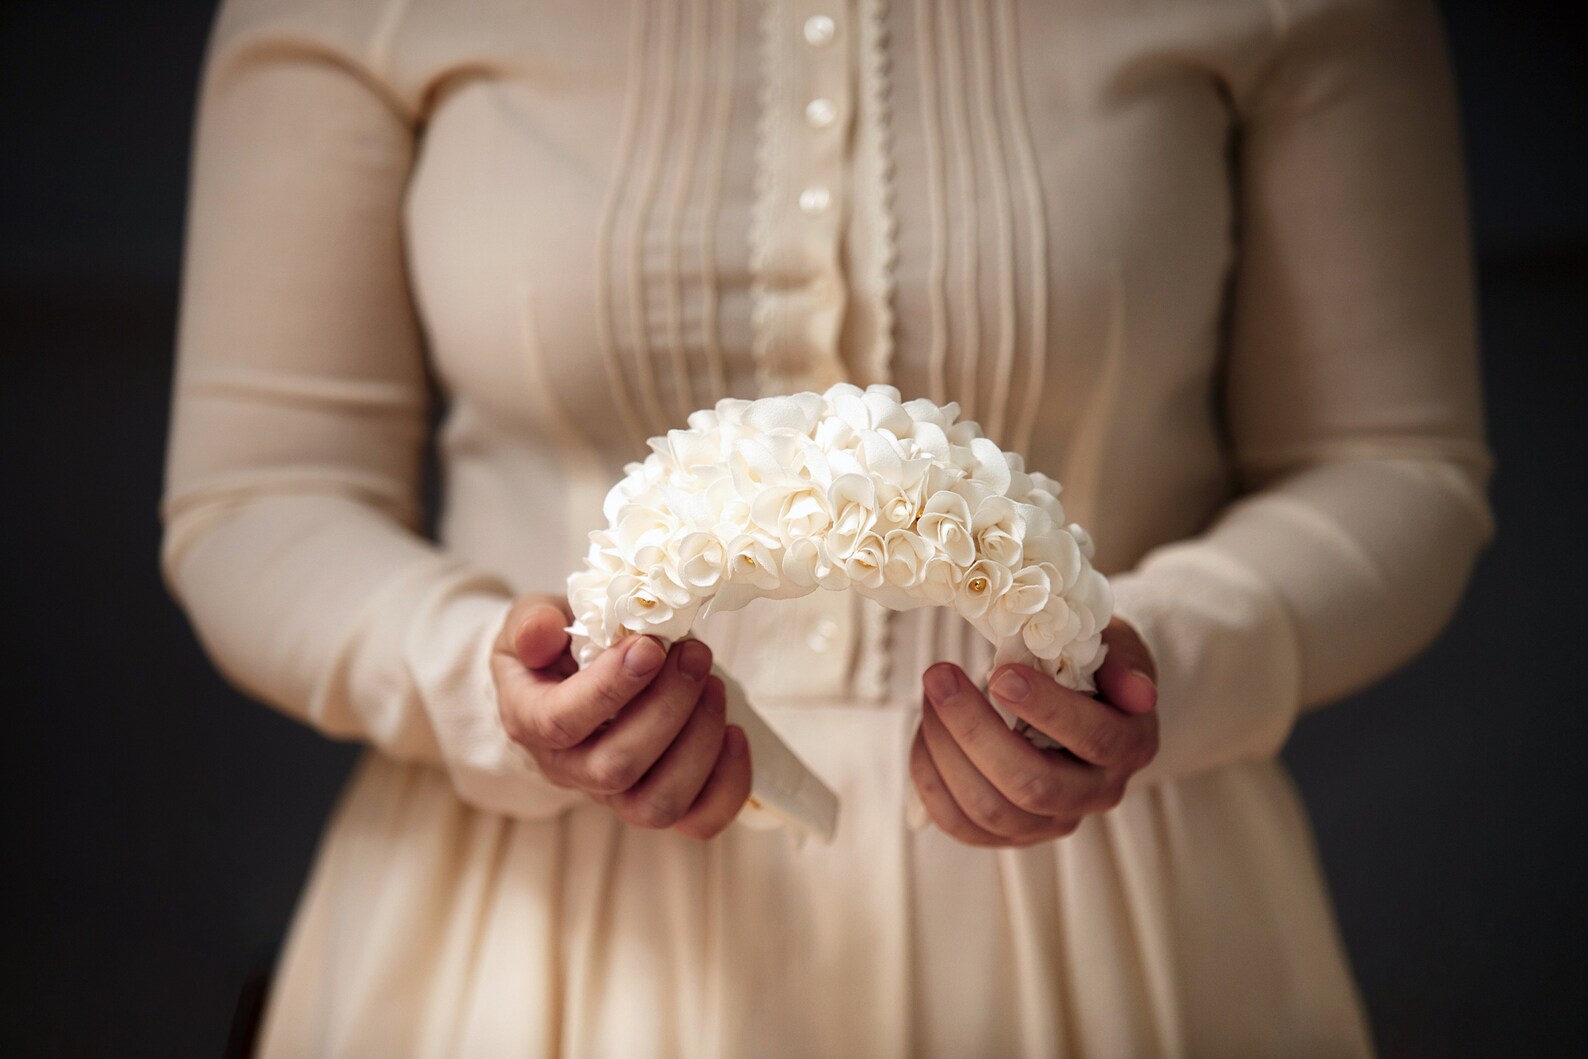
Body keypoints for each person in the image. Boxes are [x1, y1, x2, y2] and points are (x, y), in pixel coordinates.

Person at [161, 0, 1492, 1054]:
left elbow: (1393, 461)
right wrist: (483, 685)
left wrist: (1157, 666)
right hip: (528, 936)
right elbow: (257, 498)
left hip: (1112, 911)